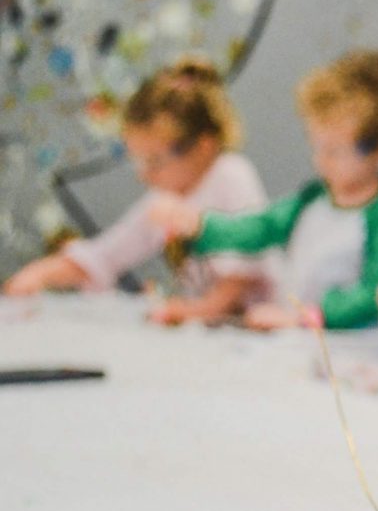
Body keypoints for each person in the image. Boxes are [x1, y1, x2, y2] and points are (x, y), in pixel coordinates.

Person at [150, 50, 378, 330]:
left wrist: (312, 317)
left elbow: (375, 293)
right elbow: (262, 227)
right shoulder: (314, 199)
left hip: (353, 347)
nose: (321, 160)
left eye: (335, 151)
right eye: (317, 146)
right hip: (302, 340)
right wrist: (201, 226)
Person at [3, 58, 271, 323]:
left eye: (154, 161)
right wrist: (39, 274)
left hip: (263, 327)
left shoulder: (231, 174)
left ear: (204, 146)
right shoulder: (167, 196)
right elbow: (108, 253)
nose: (144, 174)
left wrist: (197, 310)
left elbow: (245, 271)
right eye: (138, 161)